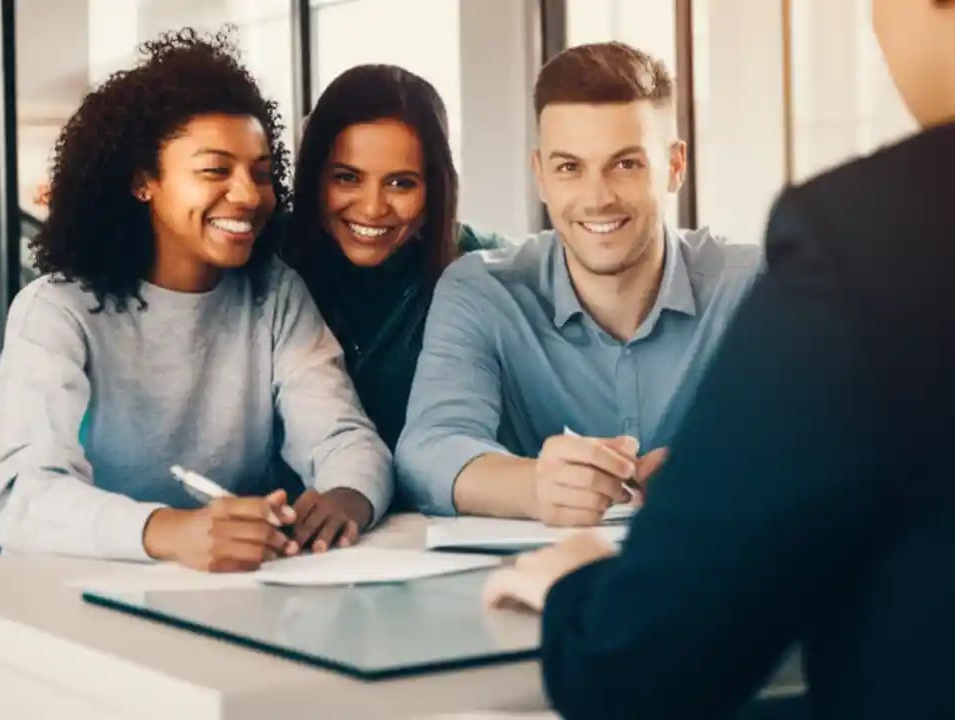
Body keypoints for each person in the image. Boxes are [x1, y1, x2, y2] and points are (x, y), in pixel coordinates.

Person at [483, 1, 955, 717]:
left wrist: (583, 586)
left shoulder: (860, 240)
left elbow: (643, 677)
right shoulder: (485, 287)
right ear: (542, 174)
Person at [0, 29, 392, 572]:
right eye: (215, 170)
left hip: (232, 591)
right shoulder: (56, 311)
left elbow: (343, 435)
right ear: (142, 181)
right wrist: (168, 531)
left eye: (262, 173)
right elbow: (25, 495)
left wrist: (349, 493)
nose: (248, 194)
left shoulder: (274, 294)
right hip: (84, 585)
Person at [395, 42, 760, 525]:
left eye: (626, 164)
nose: (597, 198)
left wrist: (724, 464)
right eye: (569, 167)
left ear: (674, 166)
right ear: (541, 176)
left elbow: (833, 430)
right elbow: (428, 450)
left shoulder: (754, 286)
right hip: (530, 588)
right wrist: (535, 486)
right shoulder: (482, 290)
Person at [282, 64, 505, 459]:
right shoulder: (268, 261)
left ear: (435, 187)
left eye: (401, 183)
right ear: (314, 176)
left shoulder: (485, 266)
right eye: (347, 178)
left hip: (446, 513)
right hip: (290, 511)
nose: (371, 207)